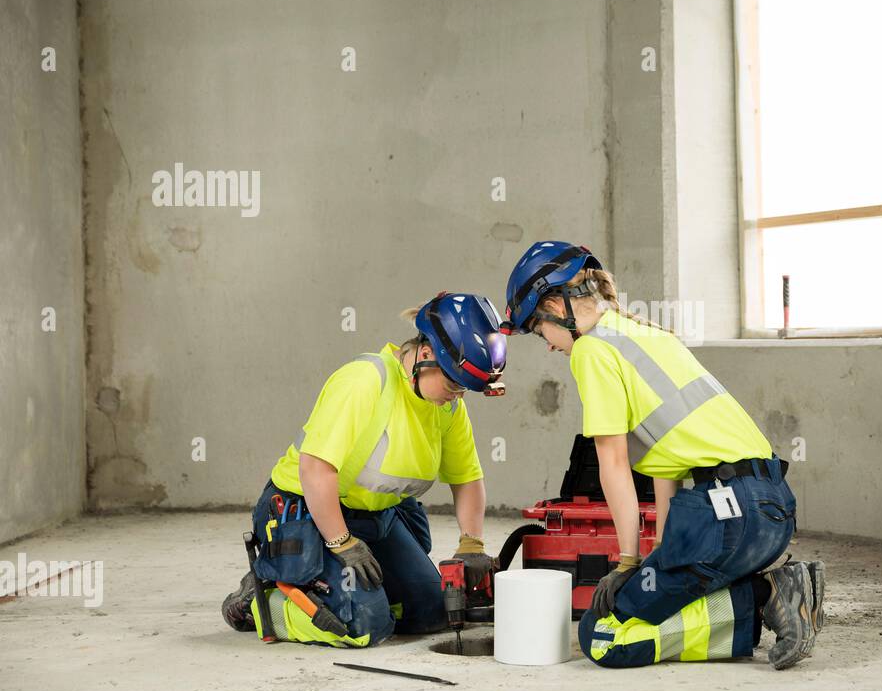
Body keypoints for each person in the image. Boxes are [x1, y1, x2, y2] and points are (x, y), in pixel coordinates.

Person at [500, 241, 824, 668]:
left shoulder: (593, 351)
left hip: (727, 517)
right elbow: (667, 474)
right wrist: (656, 560)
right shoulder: (644, 332)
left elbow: (612, 465)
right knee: (657, 597)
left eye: (540, 330)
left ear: (556, 305)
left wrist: (627, 563)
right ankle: (771, 596)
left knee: (601, 636)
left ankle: (766, 596)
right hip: (769, 511)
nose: (547, 345)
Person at [221, 292, 507, 647]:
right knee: (364, 625)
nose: (458, 396)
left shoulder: (447, 408)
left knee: (436, 611)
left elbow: (466, 478)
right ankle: (262, 603)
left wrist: (471, 542)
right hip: (307, 509)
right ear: (426, 353)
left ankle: (346, 594)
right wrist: (341, 542)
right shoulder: (366, 381)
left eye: (465, 388)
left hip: (375, 517)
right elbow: (315, 469)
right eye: (453, 384)